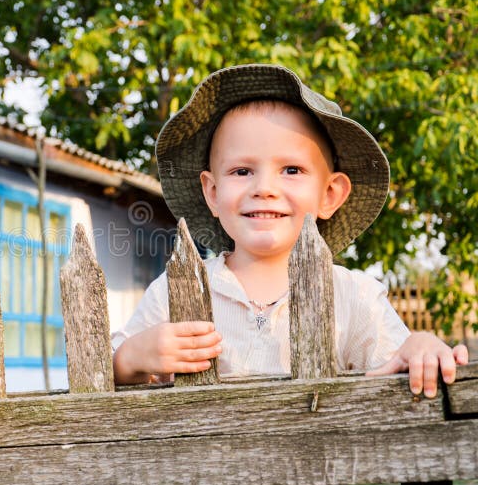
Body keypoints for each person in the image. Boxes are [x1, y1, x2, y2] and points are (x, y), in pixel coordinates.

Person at [112, 64, 468, 397]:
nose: (264, 188)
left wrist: (421, 346)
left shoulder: (352, 297)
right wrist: (129, 359)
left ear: (330, 194)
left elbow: (397, 363)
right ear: (213, 193)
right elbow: (100, 370)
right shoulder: (178, 291)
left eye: (292, 170)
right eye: (242, 172)